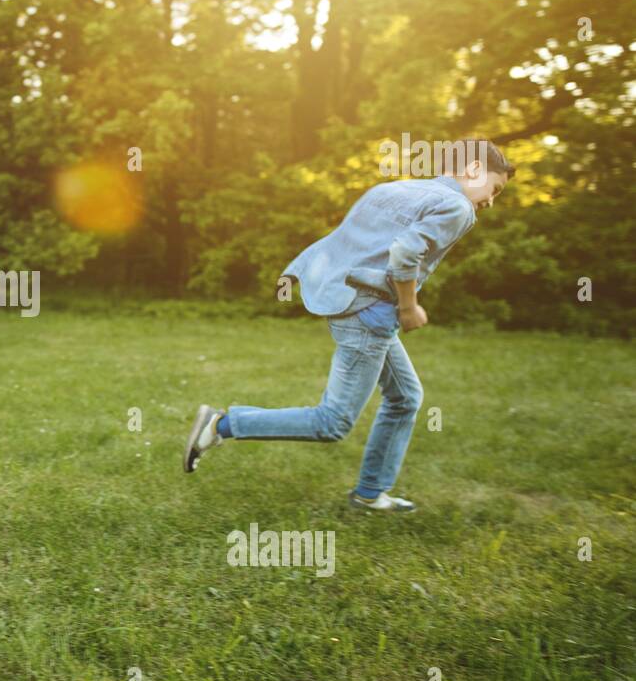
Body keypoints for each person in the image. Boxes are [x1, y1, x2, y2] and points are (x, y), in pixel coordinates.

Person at [183, 137, 514, 512]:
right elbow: (405, 253)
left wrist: (300, 270)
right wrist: (409, 306)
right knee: (332, 422)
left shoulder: (400, 188)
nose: (489, 201)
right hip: (369, 313)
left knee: (405, 398)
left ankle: (370, 493)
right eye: (494, 188)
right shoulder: (457, 206)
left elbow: (347, 239)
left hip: (351, 302)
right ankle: (221, 425)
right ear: (472, 169)